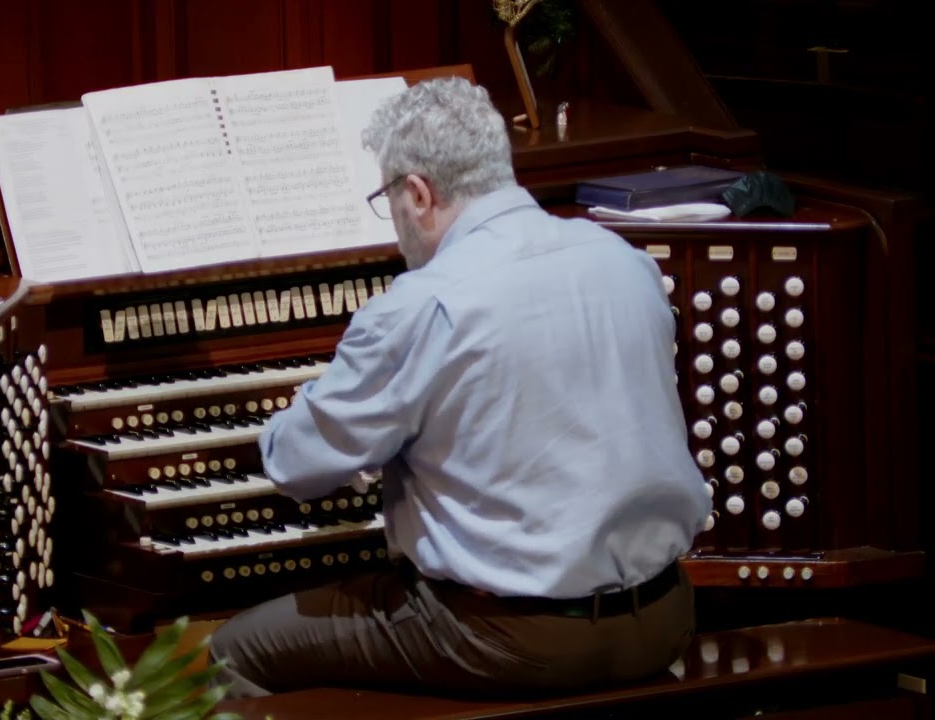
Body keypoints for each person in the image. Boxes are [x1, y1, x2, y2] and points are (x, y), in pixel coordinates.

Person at [207, 76, 712, 699]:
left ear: (418, 193)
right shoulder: (622, 258)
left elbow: (296, 465)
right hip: (664, 616)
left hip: (504, 638)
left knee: (221, 658)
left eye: (387, 200)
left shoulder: (426, 305)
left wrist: (366, 419)